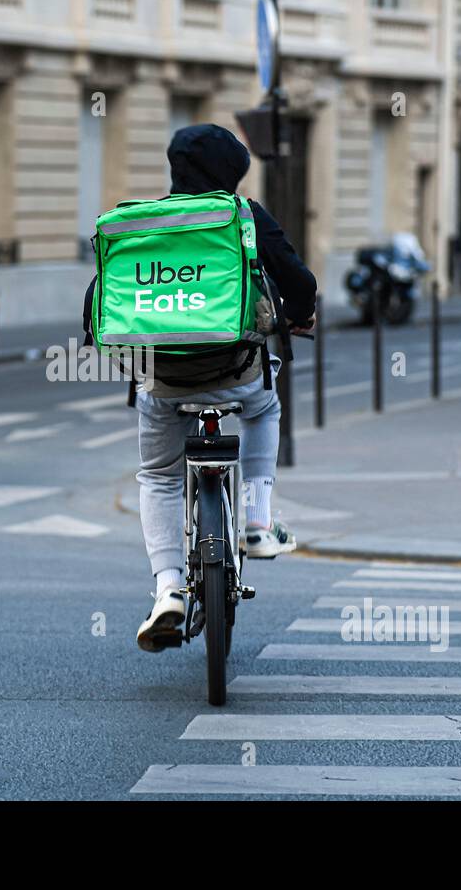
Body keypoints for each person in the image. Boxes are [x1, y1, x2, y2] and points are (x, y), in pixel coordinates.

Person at [83, 124, 318, 652]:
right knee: (265, 408)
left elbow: (97, 301)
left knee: (160, 477)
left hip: (164, 380)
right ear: (233, 172)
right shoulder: (243, 216)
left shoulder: (141, 223)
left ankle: (168, 587)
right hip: (238, 371)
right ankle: (257, 521)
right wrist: (299, 316)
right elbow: (299, 281)